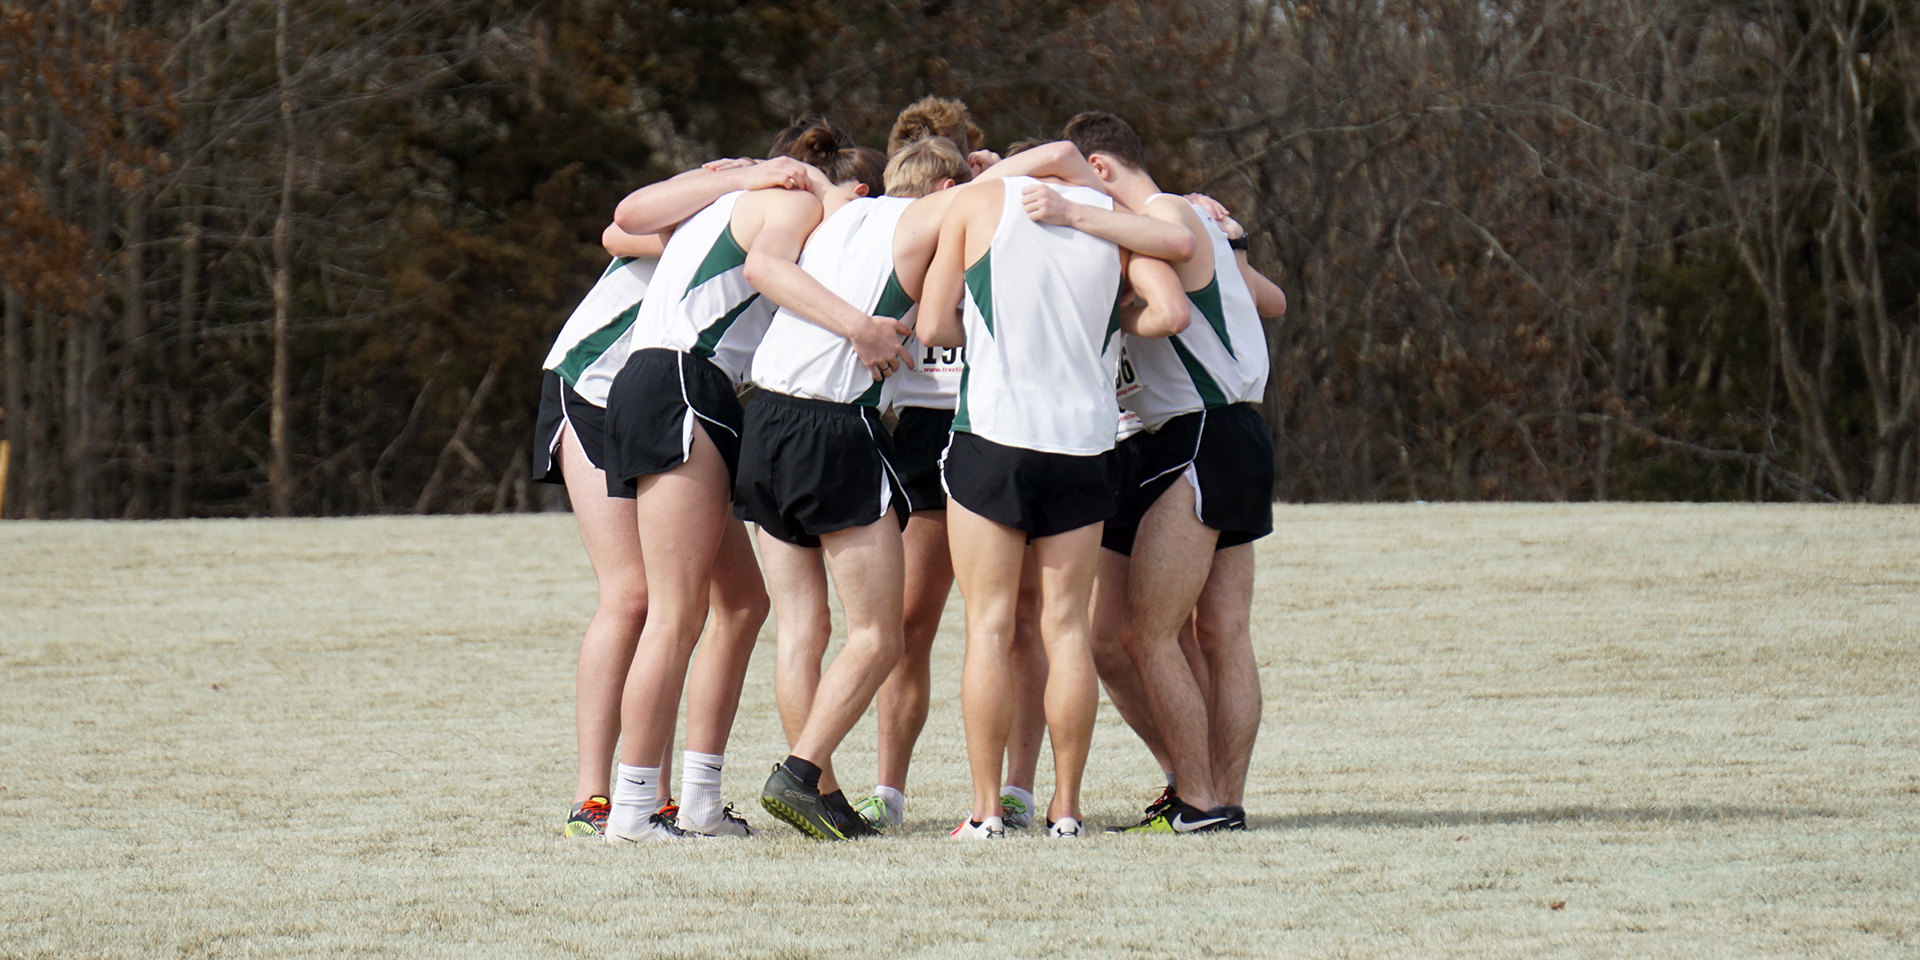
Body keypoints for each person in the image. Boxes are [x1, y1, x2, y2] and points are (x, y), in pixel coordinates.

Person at [595, 117, 874, 842]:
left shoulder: (734, 200)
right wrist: (859, 326)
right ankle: (631, 810)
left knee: (743, 603)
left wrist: (732, 176)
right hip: (683, 380)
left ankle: (699, 803)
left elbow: (625, 222)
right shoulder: (789, 202)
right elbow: (767, 270)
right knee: (676, 613)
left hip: (676, 385)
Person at [918, 159, 1193, 840]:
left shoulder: (978, 203)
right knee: (1065, 628)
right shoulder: (1109, 223)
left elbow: (932, 327)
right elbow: (1165, 310)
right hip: (1084, 440)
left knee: (986, 625)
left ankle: (985, 812)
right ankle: (1065, 808)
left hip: (995, 433)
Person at [533, 157, 805, 838]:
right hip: (596, 385)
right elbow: (621, 228)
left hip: (669, 398)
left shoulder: (791, 232)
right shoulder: (742, 203)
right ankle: (597, 797)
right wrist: (742, 177)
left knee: (742, 599)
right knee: (635, 595)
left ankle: (685, 796)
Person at [1057, 111, 1288, 833]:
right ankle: (1215, 795)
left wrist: (1110, 315)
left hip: (1200, 430)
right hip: (1218, 432)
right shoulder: (1192, 217)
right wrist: (1237, 247)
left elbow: (1177, 295)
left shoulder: (1163, 217)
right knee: (1213, 633)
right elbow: (1268, 300)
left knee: (1149, 635)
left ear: (1099, 167)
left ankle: (1199, 800)